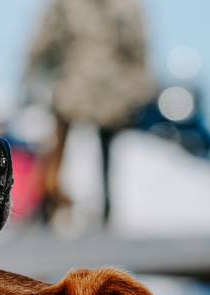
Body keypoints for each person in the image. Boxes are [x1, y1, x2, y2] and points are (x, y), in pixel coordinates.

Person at [25, 0, 153, 226]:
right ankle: (55, 207)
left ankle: (104, 210)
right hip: (72, 90)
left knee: (105, 156)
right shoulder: (65, 5)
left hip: (111, 94)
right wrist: (34, 77)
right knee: (62, 151)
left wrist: (138, 89)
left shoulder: (125, 6)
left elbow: (138, 48)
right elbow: (45, 41)